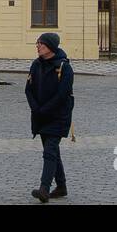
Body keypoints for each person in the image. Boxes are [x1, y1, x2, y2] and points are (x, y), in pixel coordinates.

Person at [25, 32, 74, 202]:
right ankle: (61, 186)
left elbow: (62, 95)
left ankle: (44, 189)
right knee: (53, 151)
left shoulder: (64, 67)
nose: (38, 47)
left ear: (51, 47)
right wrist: (35, 108)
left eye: (41, 44)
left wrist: (44, 109)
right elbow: (28, 89)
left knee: (50, 150)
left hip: (58, 116)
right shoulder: (35, 65)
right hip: (40, 116)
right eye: (37, 44)